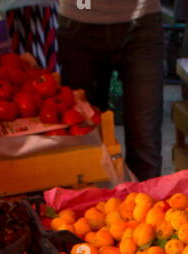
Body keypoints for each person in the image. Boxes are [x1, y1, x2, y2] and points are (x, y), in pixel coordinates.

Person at [56, 0, 165, 182]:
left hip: (143, 23)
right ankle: (88, 209)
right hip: (78, 23)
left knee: (145, 142)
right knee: (83, 142)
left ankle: (148, 206)